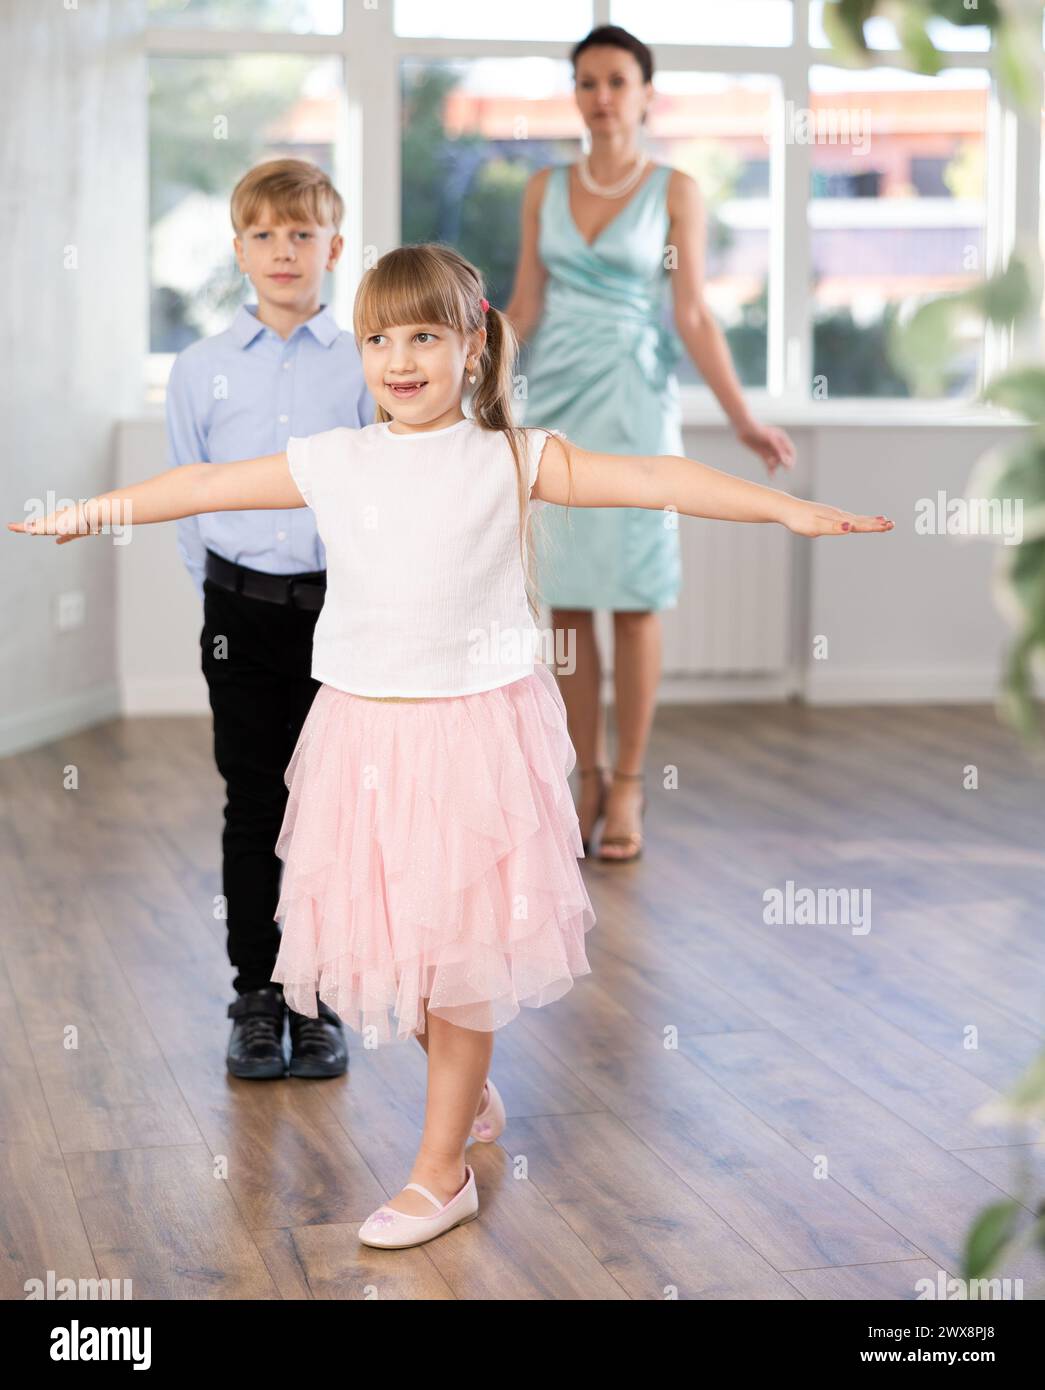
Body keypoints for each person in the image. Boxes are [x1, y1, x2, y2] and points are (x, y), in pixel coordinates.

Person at [9, 243, 892, 1251]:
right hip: (364, 729)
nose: (399, 357)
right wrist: (94, 512)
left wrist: (783, 505)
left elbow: (653, 473)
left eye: (424, 334)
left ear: (473, 346)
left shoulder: (512, 455)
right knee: (402, 951)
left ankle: (440, 1173)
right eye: (379, 336)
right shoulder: (336, 458)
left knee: (459, 948)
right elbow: (207, 481)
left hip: (475, 729)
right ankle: (466, 1099)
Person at [505, 24, 796, 862]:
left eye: (616, 82)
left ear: (644, 95)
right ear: (576, 94)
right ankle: (582, 777)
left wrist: (742, 420)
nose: (601, 97)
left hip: (635, 409)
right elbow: (523, 308)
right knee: (566, 604)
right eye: (587, 82)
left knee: (632, 601)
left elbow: (693, 314)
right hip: (555, 404)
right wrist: (458, 380)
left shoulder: (675, 189)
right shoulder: (542, 188)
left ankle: (627, 784)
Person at [166, 158, 373, 1081]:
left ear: (334, 247)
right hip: (238, 614)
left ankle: (313, 997)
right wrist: (223, 600)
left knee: (326, 812)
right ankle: (256, 995)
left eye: (302, 235)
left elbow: (386, 488)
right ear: (240, 249)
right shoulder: (201, 368)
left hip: (343, 617)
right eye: (264, 236)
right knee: (253, 802)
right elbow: (186, 495)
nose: (284, 252)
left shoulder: (367, 360)